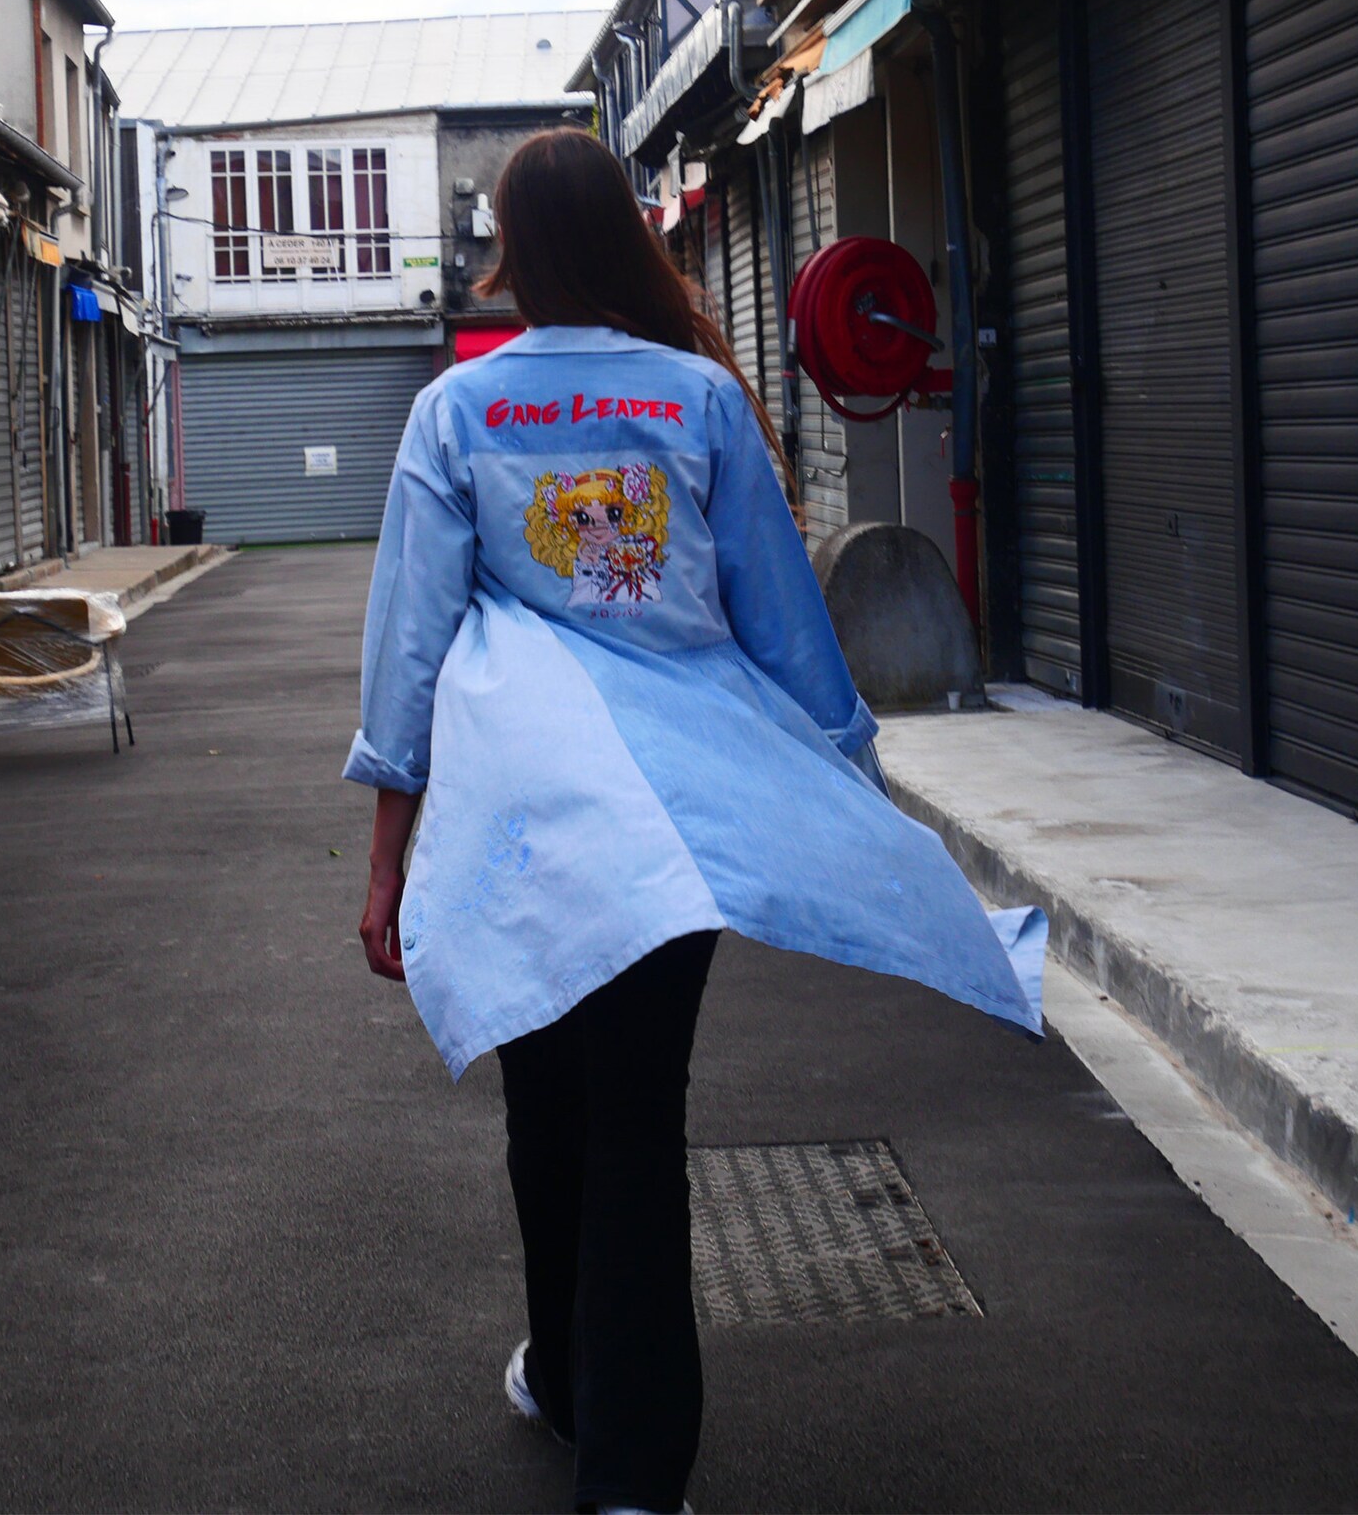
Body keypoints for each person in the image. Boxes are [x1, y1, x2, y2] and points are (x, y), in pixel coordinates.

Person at [345, 127, 1045, 1515]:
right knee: (636, 1125)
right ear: (624, 236)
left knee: (546, 1105)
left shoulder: (459, 413)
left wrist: (388, 857)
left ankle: (566, 1375)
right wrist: (850, 802)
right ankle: (635, 1469)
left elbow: (408, 647)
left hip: (525, 821)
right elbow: (786, 626)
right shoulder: (699, 400)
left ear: (513, 251)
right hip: (679, 822)